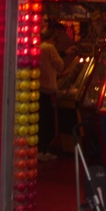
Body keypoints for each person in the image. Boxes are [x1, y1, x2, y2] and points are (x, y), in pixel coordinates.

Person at [39, 23, 65, 161]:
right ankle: (43, 150)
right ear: (53, 39)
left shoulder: (38, 47)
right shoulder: (50, 48)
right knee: (49, 122)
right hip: (49, 89)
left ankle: (40, 149)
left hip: (38, 87)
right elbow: (60, 65)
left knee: (41, 121)